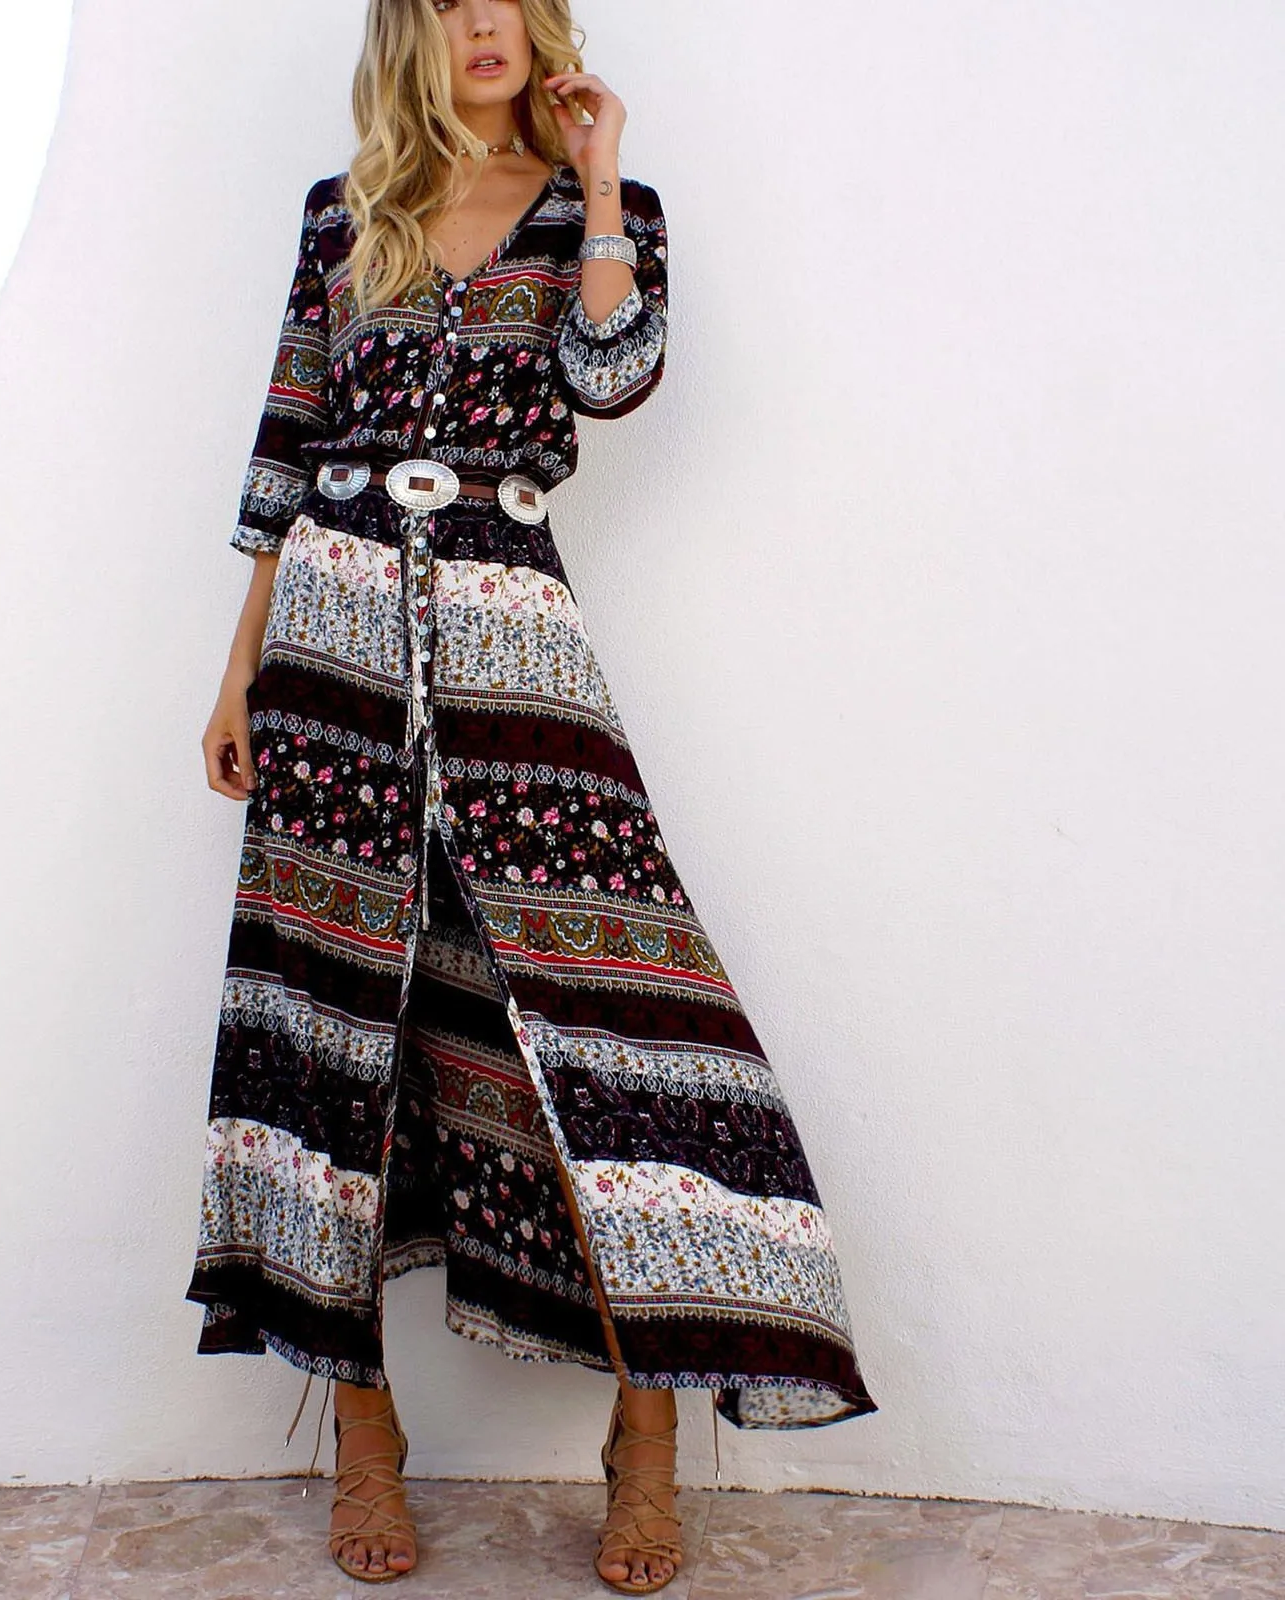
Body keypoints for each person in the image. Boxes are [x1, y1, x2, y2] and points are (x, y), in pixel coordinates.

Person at [186, 0, 878, 1591]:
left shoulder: (601, 213)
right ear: (412, 30)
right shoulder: (343, 212)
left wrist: (606, 176)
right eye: (447, 0)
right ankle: (363, 1434)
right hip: (333, 639)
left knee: (602, 1009)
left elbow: (613, 379)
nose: (481, 22)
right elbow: (286, 448)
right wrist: (236, 676)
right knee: (337, 1025)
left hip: (512, 634)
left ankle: (648, 1435)